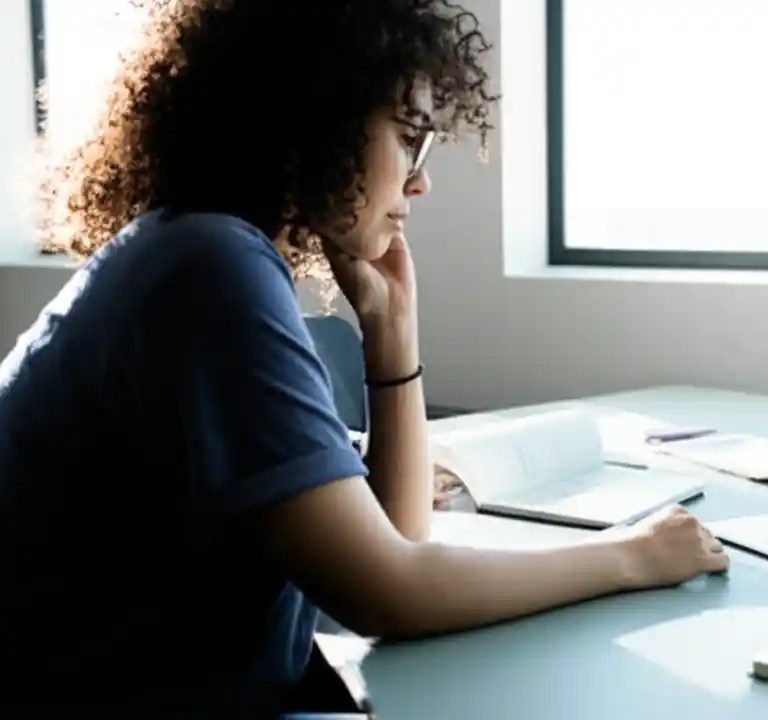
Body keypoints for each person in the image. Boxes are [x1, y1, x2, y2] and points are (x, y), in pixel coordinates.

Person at [0, 1, 728, 716]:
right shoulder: (211, 269)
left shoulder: (194, 250)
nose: (420, 180)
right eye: (411, 139)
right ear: (317, 118)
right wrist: (632, 556)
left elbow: (396, 539)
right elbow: (386, 592)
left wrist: (391, 332)